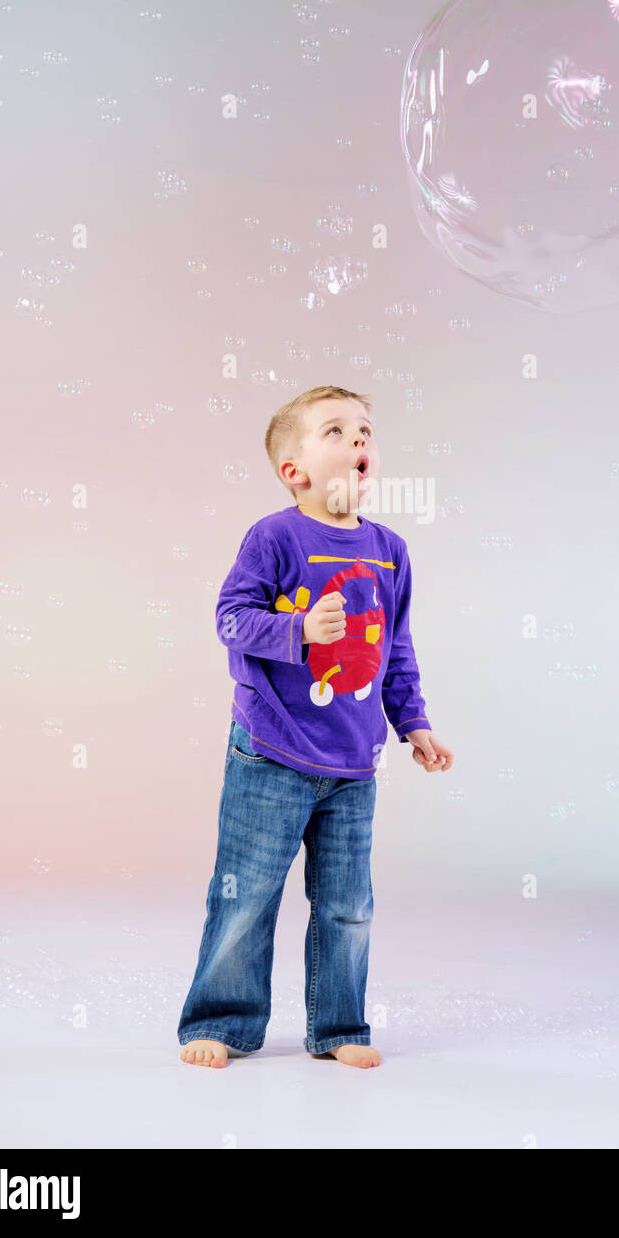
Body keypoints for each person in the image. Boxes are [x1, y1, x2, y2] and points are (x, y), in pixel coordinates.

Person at [177, 386, 454, 1069]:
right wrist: (299, 628)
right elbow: (231, 619)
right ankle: (222, 1021)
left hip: (353, 766)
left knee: (347, 906)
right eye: (335, 431)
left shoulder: (391, 550)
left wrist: (413, 723)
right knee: (246, 894)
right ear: (294, 470)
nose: (359, 440)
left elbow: (397, 647)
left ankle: (340, 1028)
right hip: (270, 753)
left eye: (365, 429)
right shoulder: (274, 538)